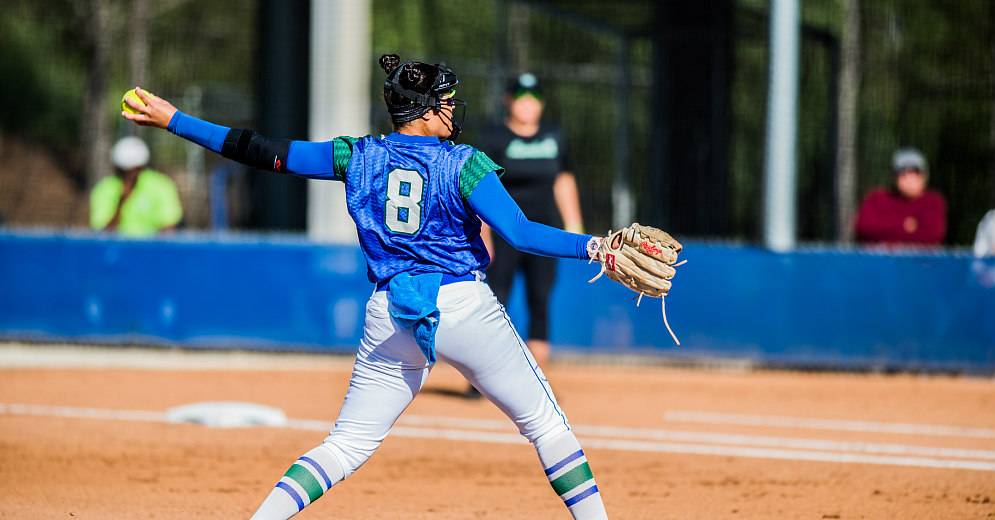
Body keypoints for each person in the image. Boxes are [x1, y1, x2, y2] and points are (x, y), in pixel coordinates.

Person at [121, 54, 609, 520]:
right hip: (462, 303)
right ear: (422, 112)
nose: (452, 108)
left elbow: (262, 150)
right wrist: (598, 248)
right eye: (446, 100)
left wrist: (176, 121)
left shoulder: (356, 154)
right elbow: (521, 233)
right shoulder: (464, 162)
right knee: (546, 426)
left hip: (391, 311)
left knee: (345, 446)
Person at [472, 73, 583, 387]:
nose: (527, 103)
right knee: (495, 300)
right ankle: (482, 378)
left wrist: (574, 226)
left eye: (533, 97)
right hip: (503, 232)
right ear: (508, 99)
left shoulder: (554, 136)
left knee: (540, 300)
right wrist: (483, 235)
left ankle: (533, 383)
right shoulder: (494, 137)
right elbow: (479, 187)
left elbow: (564, 178)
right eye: (521, 96)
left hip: (544, 232)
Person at [90, 136, 183, 236]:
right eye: (125, 171)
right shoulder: (104, 189)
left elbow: (168, 228)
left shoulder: (161, 185)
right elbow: (103, 234)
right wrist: (121, 204)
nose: (131, 175)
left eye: (135, 169)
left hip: (151, 249)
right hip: (118, 250)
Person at [854, 147, 946, 246]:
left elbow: (932, 235)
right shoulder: (877, 198)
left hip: (919, 261)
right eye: (903, 175)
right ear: (894, 177)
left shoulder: (932, 201)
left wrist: (886, 228)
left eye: (915, 174)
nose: (909, 180)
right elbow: (864, 228)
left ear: (925, 176)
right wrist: (903, 224)